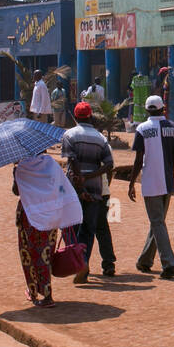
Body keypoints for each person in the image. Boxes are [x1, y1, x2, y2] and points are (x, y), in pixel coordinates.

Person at [128, 94, 174, 279]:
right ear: (163, 108)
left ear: (147, 110)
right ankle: (145, 261)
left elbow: (138, 160)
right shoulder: (173, 127)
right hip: (168, 183)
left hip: (150, 183)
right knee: (158, 222)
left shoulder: (142, 129)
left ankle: (169, 263)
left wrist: (131, 183)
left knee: (157, 222)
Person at [12, 147, 83, 308]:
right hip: (50, 215)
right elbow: (61, 187)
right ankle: (45, 292)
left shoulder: (21, 168)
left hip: (28, 216)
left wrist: (15, 174)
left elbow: (16, 191)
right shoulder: (51, 164)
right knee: (45, 254)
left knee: (28, 254)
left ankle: (36, 291)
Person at [62, 102, 117, 283]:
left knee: (71, 226)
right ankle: (83, 261)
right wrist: (91, 176)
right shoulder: (100, 138)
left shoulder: (69, 135)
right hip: (95, 188)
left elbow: (72, 159)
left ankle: (79, 262)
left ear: (76, 117)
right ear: (90, 117)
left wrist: (80, 180)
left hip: (74, 189)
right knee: (89, 229)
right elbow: (109, 164)